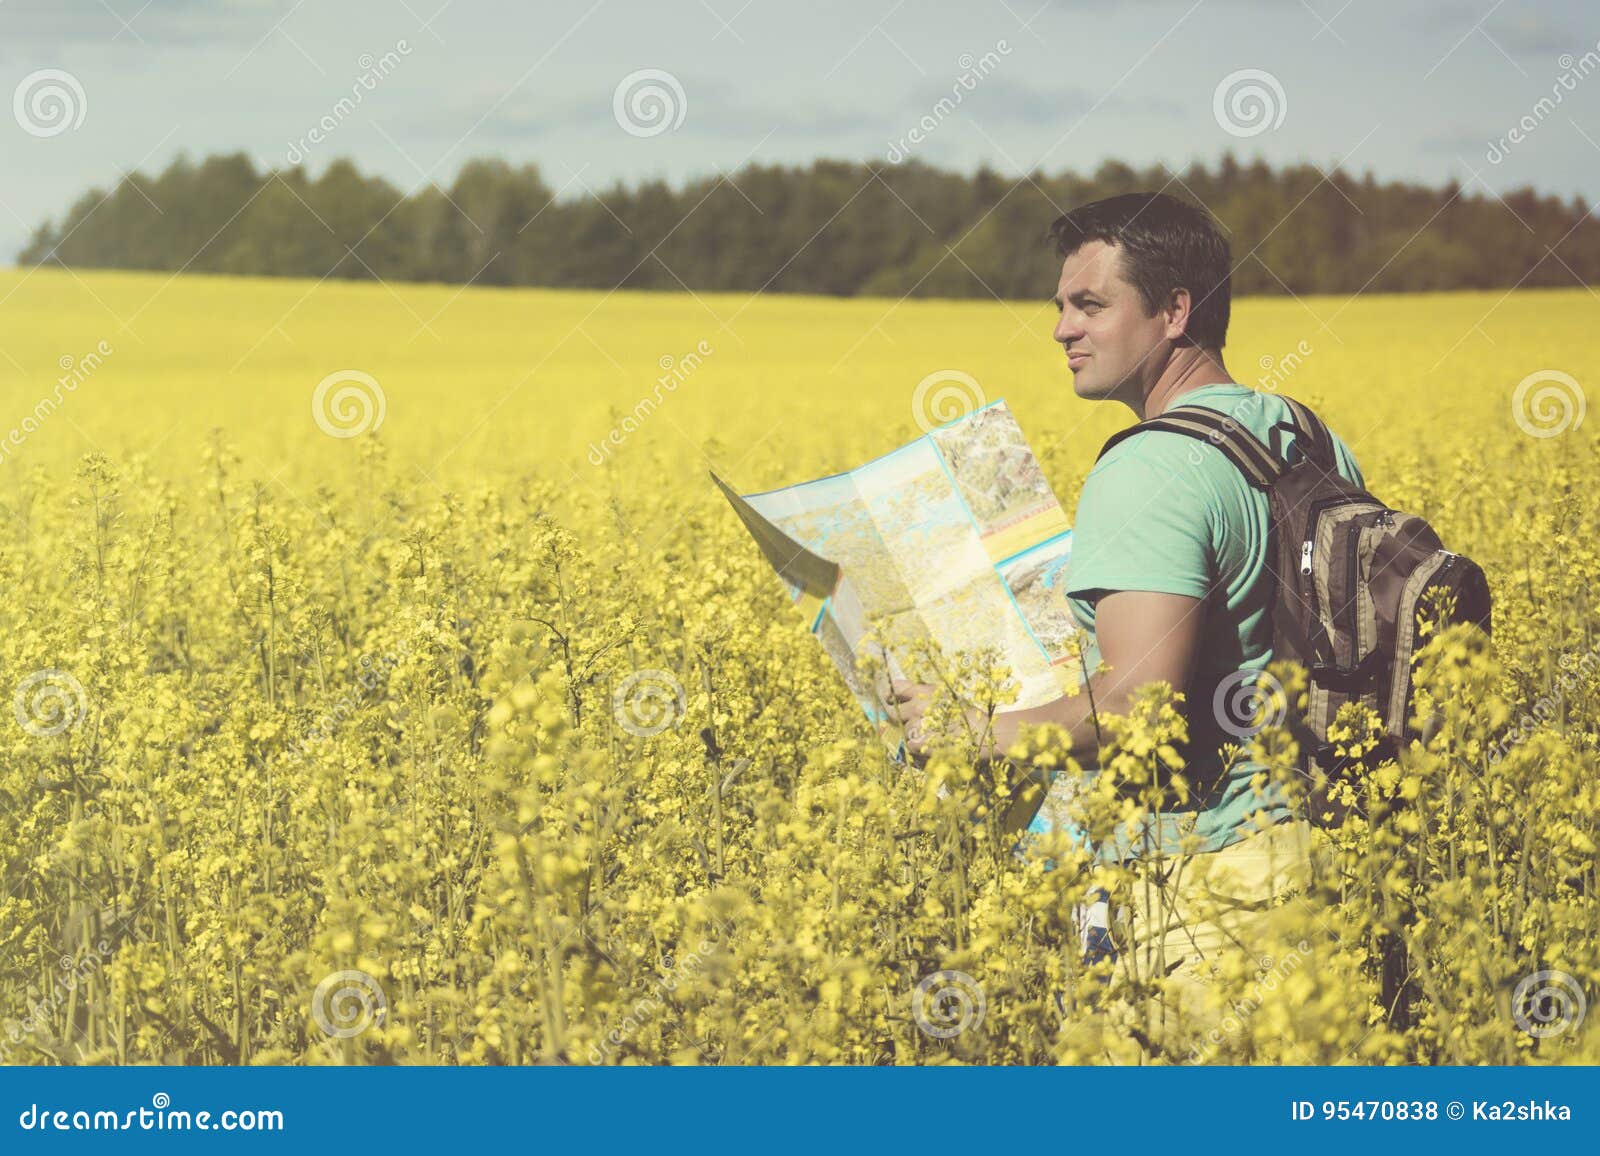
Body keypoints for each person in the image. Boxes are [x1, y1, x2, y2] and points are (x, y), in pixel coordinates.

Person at [890, 191, 1365, 1024]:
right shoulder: (1303, 436)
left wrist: (974, 731)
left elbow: (1138, 708)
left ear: (1175, 310)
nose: (1062, 329)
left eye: (1091, 305)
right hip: (1324, 865)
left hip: (1205, 901)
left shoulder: (1148, 469)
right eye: (1061, 306)